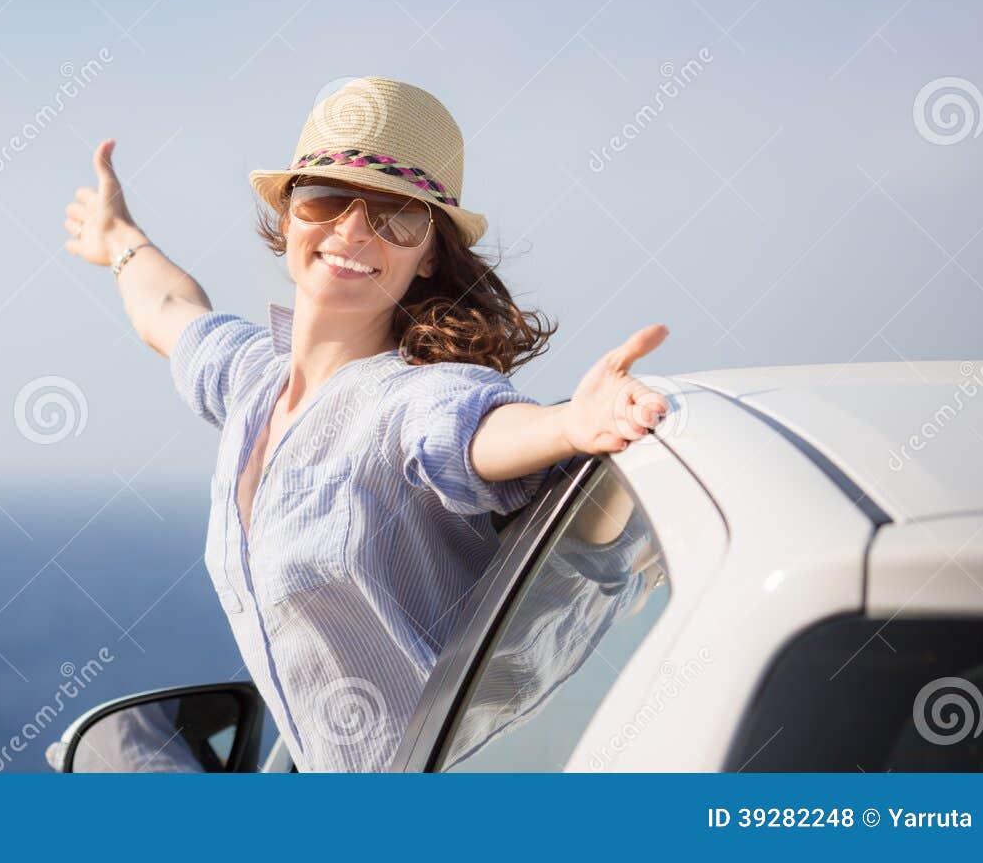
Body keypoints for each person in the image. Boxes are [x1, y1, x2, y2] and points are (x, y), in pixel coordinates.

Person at [61, 77, 670, 771]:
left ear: (430, 252)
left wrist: (571, 425)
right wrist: (118, 238)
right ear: (287, 217)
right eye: (325, 200)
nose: (352, 230)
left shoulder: (411, 400)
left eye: (396, 215)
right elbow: (169, 310)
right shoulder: (252, 382)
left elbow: (472, 436)